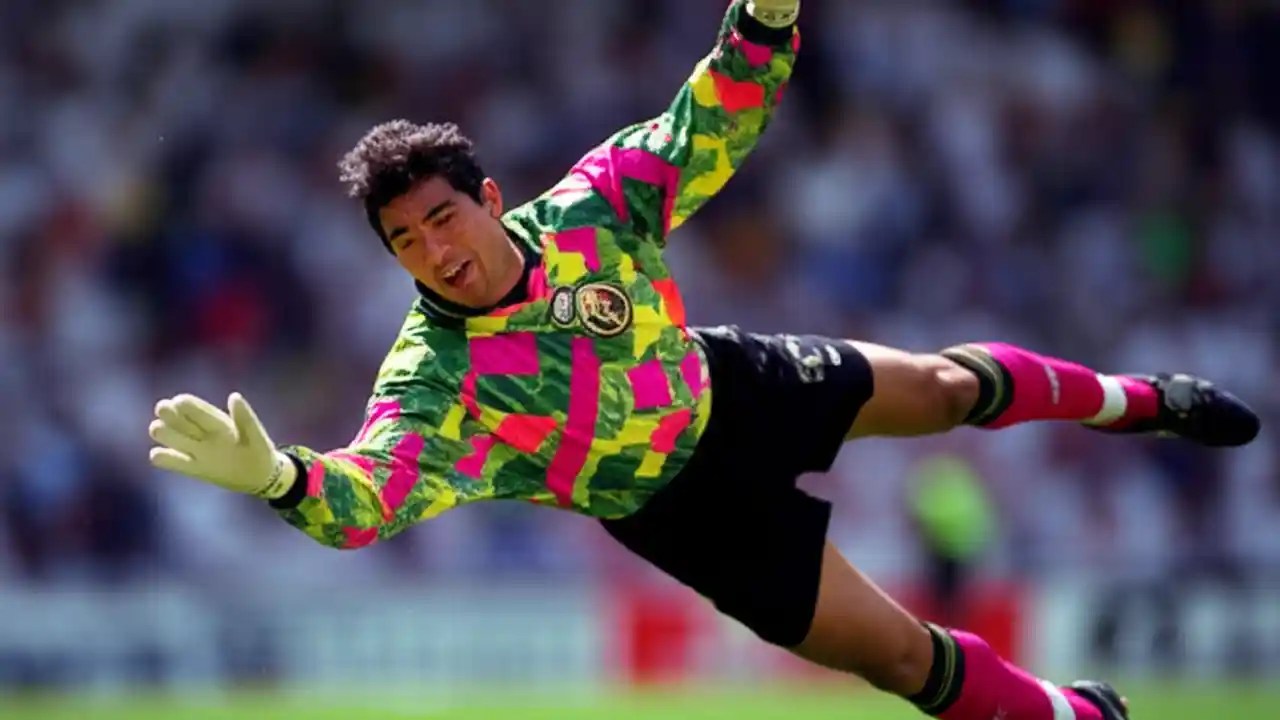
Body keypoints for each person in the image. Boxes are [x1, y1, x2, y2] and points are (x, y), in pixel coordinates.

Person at [146, 2, 1259, 719]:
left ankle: (1137, 399)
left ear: (489, 200)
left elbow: (703, 122)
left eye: (441, 220)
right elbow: (369, 495)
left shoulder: (592, 210)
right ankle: (1076, 718)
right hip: (680, 516)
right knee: (901, 662)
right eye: (403, 243)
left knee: (945, 388)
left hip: (730, 384)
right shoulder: (434, 380)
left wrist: (761, 22)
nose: (433, 253)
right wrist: (282, 481)